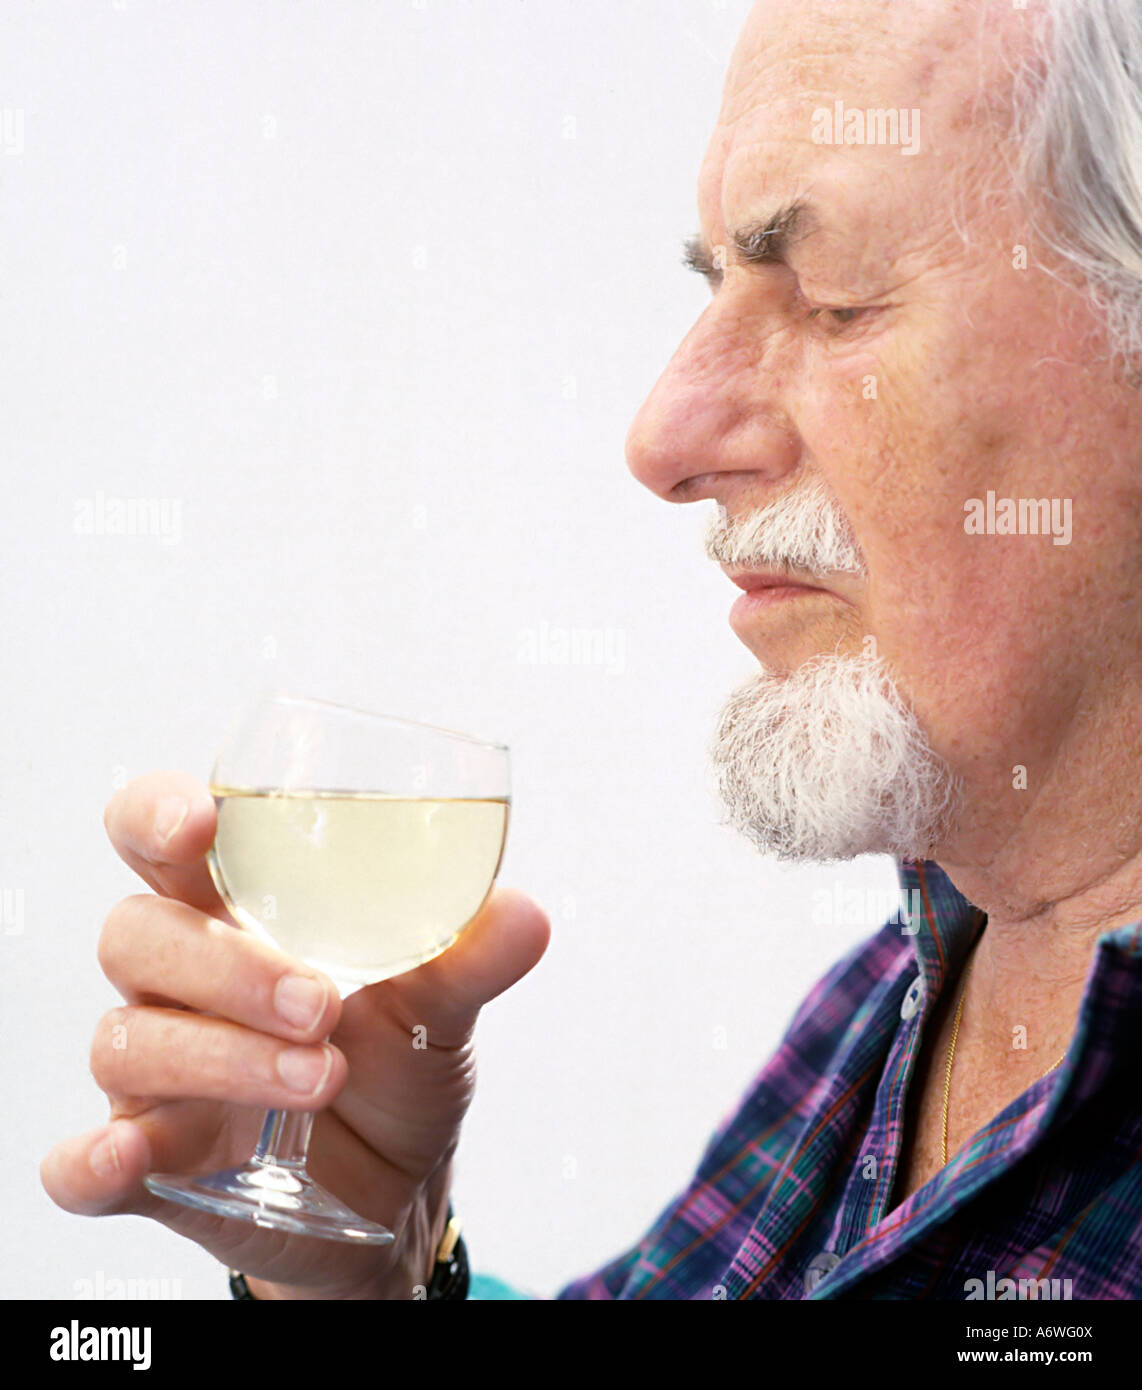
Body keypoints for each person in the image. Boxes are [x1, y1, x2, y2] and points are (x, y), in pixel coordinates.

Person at [43, 0, 1142, 1299]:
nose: (662, 436)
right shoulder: (895, 987)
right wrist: (377, 1271)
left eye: (837, 299)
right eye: (714, 284)